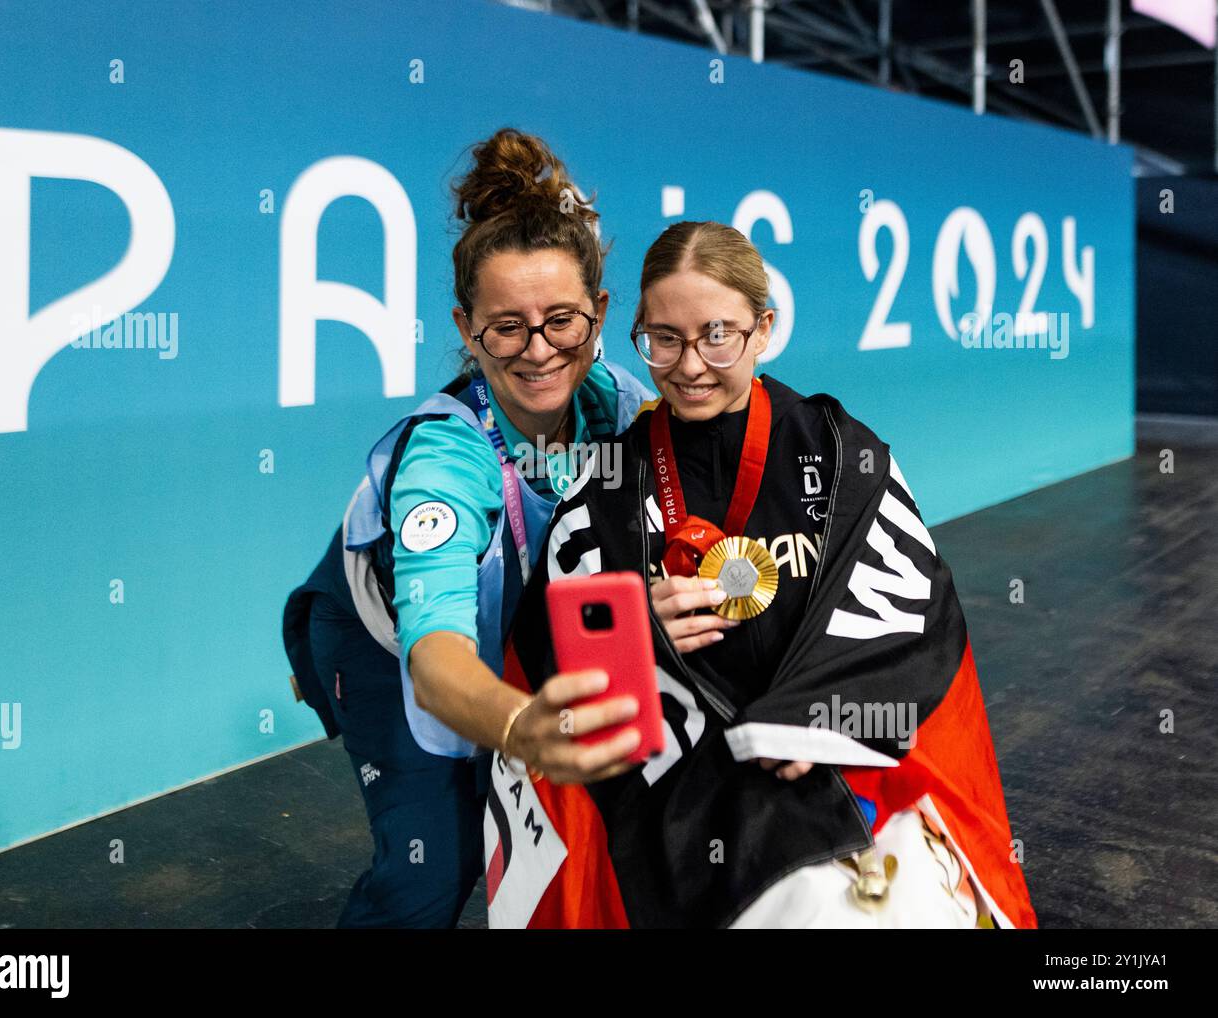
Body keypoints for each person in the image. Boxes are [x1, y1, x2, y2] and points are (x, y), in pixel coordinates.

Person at [484, 221, 1039, 929]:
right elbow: (551, 654)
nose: (689, 365)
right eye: (664, 339)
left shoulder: (840, 455)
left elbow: (914, 616)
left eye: (718, 335)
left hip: (842, 761)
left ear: (764, 327)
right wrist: (636, 629)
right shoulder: (610, 487)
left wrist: (814, 718)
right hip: (692, 790)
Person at [282, 128, 659, 928]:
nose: (538, 352)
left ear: (598, 312)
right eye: (504, 327)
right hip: (385, 645)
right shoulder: (447, 462)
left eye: (561, 321)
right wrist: (521, 727)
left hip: (505, 622)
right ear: (465, 325)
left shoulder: (618, 402)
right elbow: (437, 663)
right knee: (434, 868)